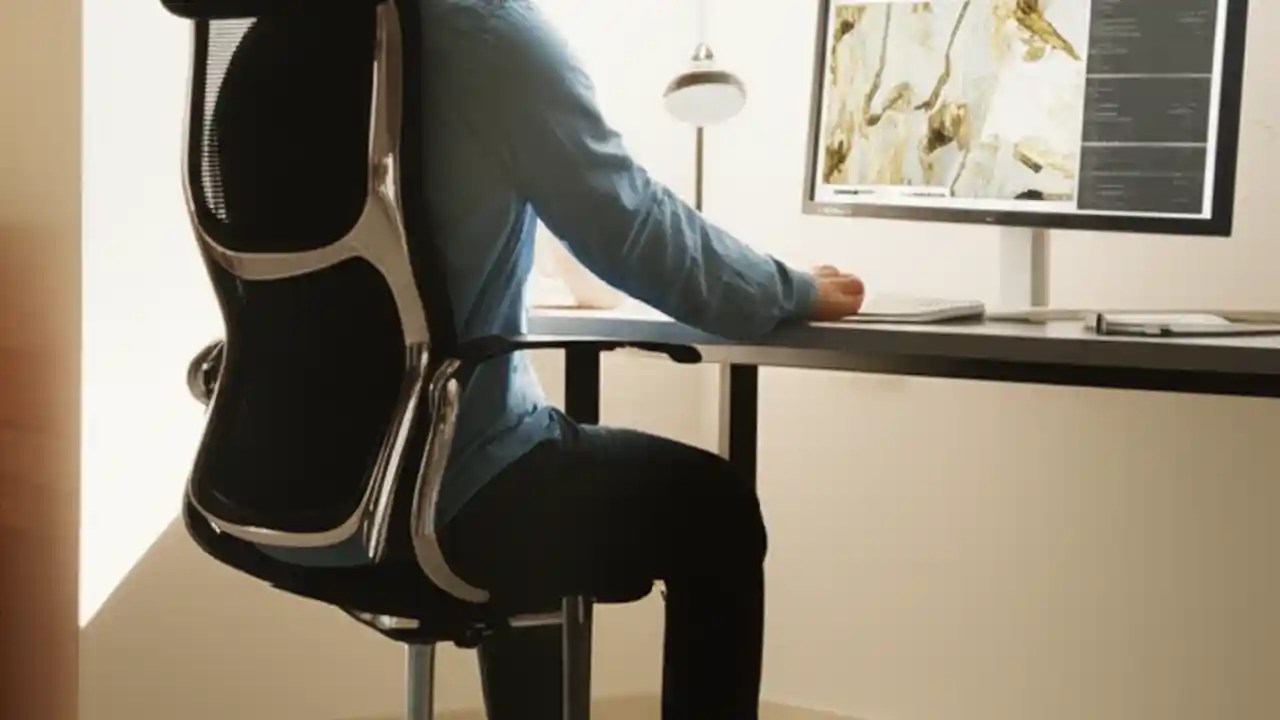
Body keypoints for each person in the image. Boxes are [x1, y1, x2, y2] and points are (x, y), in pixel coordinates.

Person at [417, 1, 866, 717]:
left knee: (532, 498)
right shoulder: (490, 35)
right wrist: (792, 289)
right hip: (451, 487)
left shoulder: (281, 40)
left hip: (287, 484)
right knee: (713, 509)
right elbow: (634, 230)